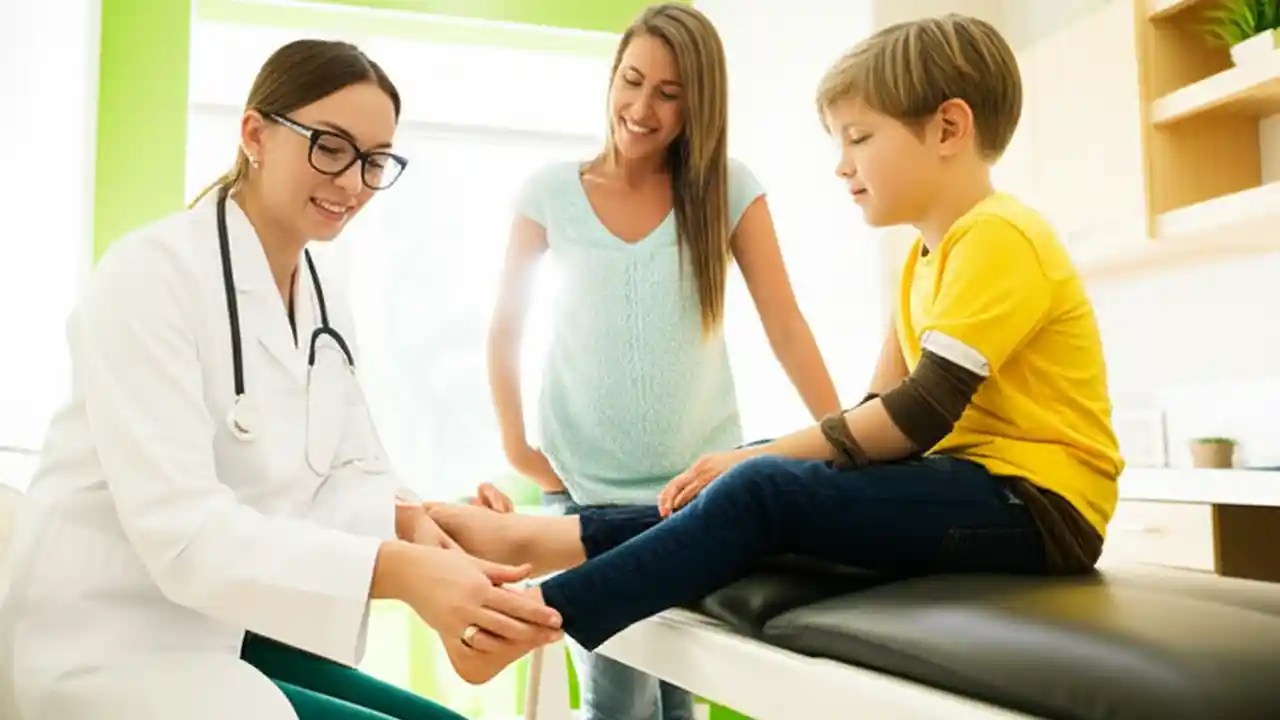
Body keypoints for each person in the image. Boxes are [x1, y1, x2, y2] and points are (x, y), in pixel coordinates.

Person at [431, 13, 1126, 685]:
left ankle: (530, 618)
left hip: (1037, 509)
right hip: (976, 489)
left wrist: (754, 459)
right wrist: (751, 461)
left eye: (857, 138)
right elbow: (878, 411)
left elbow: (918, 417)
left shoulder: (1001, 236)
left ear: (947, 128)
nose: (841, 165)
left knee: (758, 481)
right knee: (742, 480)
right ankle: (534, 539)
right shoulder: (926, 258)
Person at [0, 39, 561, 720]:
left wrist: (419, 529)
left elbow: (351, 469)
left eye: (375, 160)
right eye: (330, 146)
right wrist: (406, 572)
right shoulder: (148, 276)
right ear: (254, 134)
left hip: (211, 631)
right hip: (104, 646)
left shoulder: (323, 295)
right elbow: (184, 534)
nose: (354, 182)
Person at [485, 4, 840, 718]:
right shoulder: (551, 192)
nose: (640, 108)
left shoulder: (728, 189)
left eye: (668, 93)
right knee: (618, 700)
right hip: (586, 495)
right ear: (612, 77)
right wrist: (518, 448)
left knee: (683, 700)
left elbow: (786, 323)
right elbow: (504, 328)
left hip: (696, 499)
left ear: (697, 104)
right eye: (632, 81)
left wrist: (845, 436)